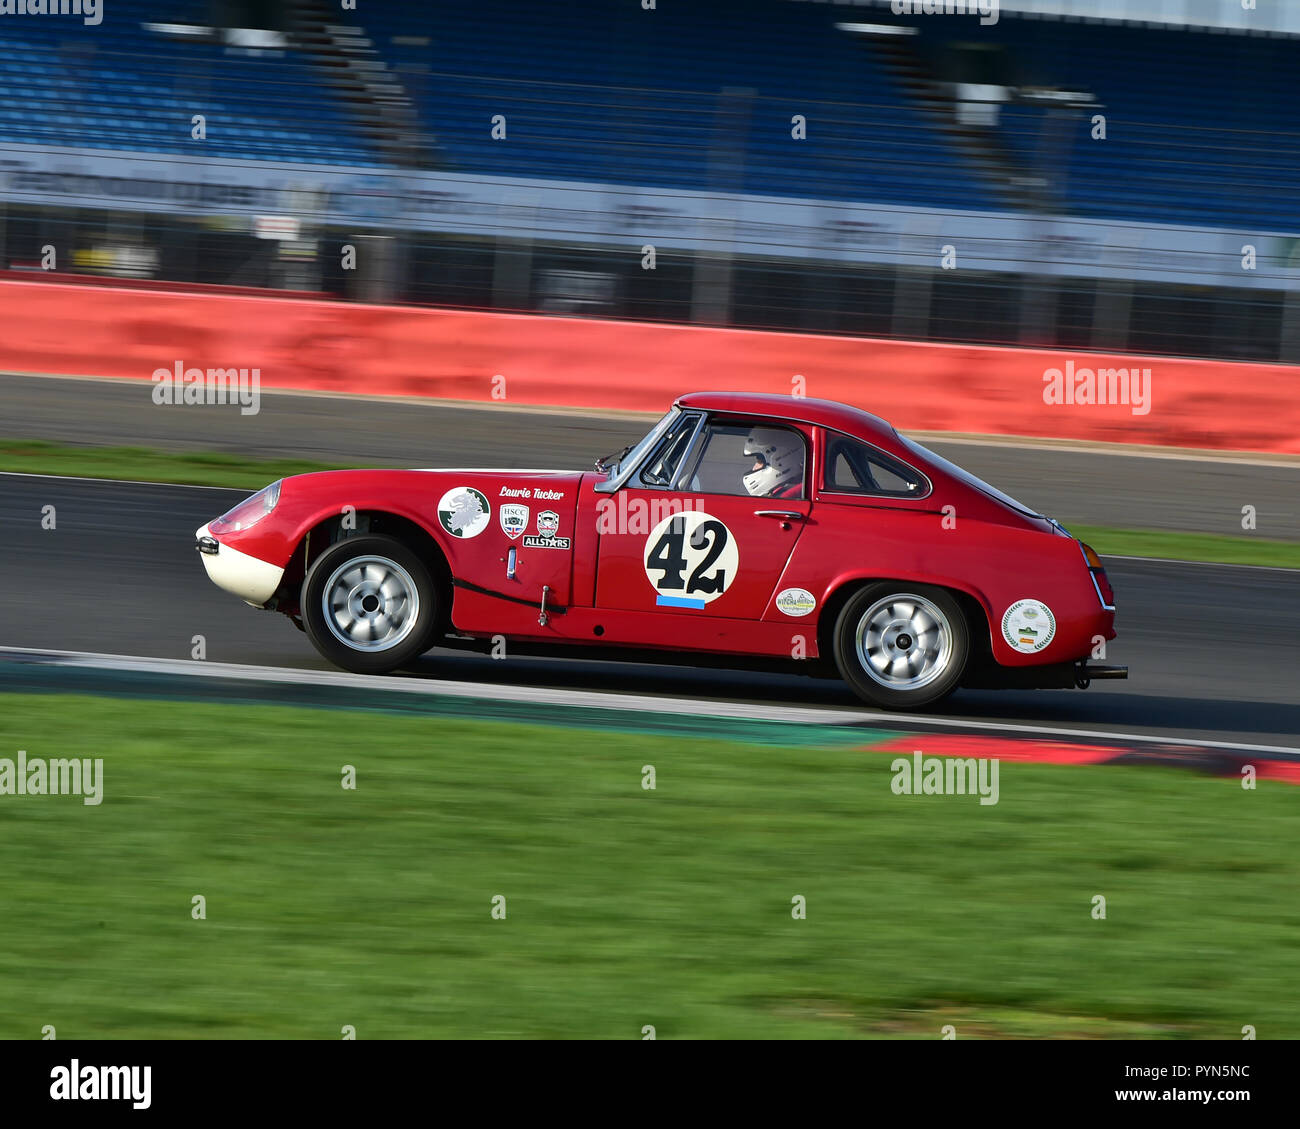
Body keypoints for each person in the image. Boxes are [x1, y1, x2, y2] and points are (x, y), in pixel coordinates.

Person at [741, 428, 803, 498]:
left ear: (779, 460)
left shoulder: (785, 499)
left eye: (759, 461)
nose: (754, 468)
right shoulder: (803, 490)